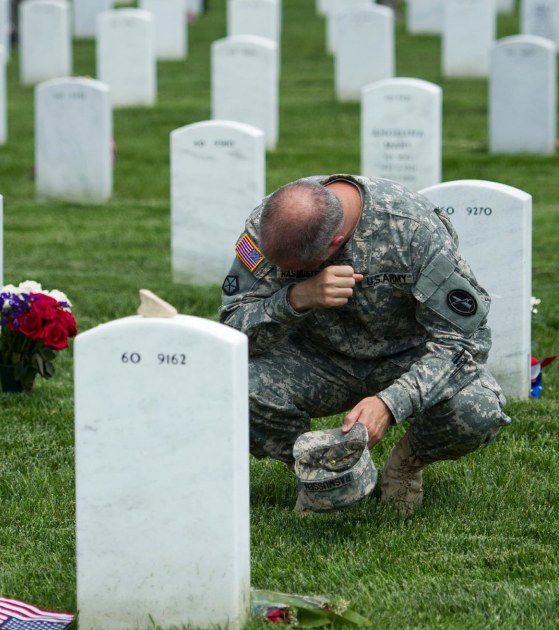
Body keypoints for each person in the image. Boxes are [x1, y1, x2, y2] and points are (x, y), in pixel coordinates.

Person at [219, 175, 511, 515]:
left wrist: (392, 402)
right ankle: (319, 468)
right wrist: (296, 298)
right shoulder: (268, 226)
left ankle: (406, 463)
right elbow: (231, 330)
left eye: (299, 270)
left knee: (477, 407)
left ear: (335, 244)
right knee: (232, 386)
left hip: (404, 357)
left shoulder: (413, 230)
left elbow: (465, 342)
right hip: (317, 359)